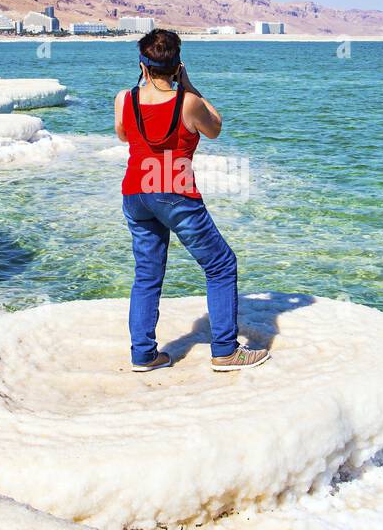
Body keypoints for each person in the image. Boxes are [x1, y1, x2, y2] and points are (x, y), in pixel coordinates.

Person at [114, 28, 269, 373]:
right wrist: (190, 85)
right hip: (173, 193)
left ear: (142, 65)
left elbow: (124, 133)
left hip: (135, 192)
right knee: (221, 265)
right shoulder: (189, 102)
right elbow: (215, 128)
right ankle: (226, 351)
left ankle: (143, 355)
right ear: (177, 65)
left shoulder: (124, 98)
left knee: (147, 274)